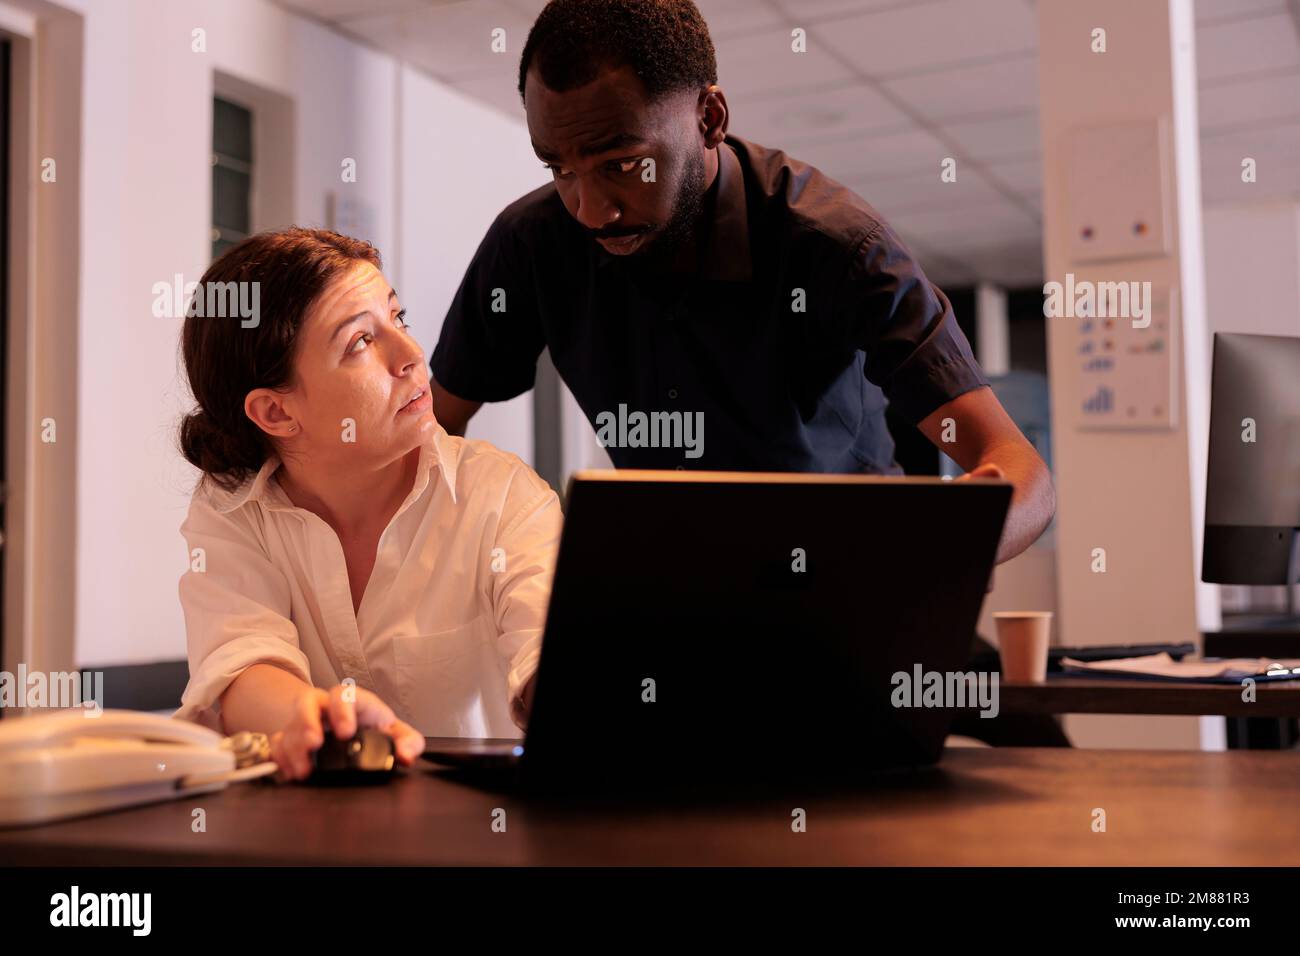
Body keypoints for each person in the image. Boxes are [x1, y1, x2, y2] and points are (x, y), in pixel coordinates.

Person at [430, 0, 1067, 746]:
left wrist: (943, 552)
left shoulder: (837, 249)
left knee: (1032, 757)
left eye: (619, 165)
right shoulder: (533, 247)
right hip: (679, 617)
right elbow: (430, 437)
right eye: (560, 169)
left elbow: (1019, 470)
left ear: (708, 117)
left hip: (860, 611)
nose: (590, 208)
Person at [173, 228, 562, 780]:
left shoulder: (501, 495)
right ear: (277, 413)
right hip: (315, 841)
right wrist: (316, 717)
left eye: (397, 319)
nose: (410, 356)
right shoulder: (233, 509)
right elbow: (241, 661)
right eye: (359, 342)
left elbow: (543, 640)